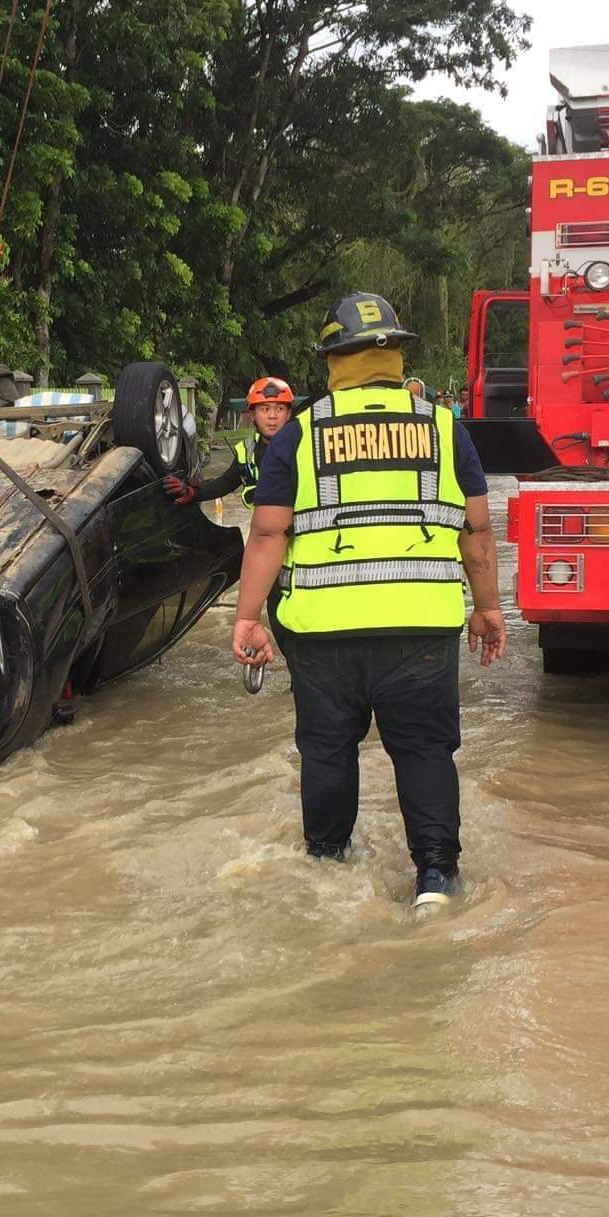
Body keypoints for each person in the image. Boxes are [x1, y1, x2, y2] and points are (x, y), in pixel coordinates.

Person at [230, 293, 506, 910]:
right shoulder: (443, 427)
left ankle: (328, 872)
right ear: (395, 355)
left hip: (322, 633)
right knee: (426, 751)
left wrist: (248, 617)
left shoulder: (299, 434)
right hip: (421, 630)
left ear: (333, 359)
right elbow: (478, 531)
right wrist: (488, 608)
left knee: (327, 752)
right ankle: (436, 878)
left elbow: (268, 534)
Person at [164, 376, 296, 511]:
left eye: (280, 408)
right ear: (252, 415)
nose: (272, 416)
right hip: (265, 523)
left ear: (288, 414)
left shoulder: (303, 447)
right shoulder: (248, 451)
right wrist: (191, 492)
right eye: (265, 409)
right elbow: (225, 483)